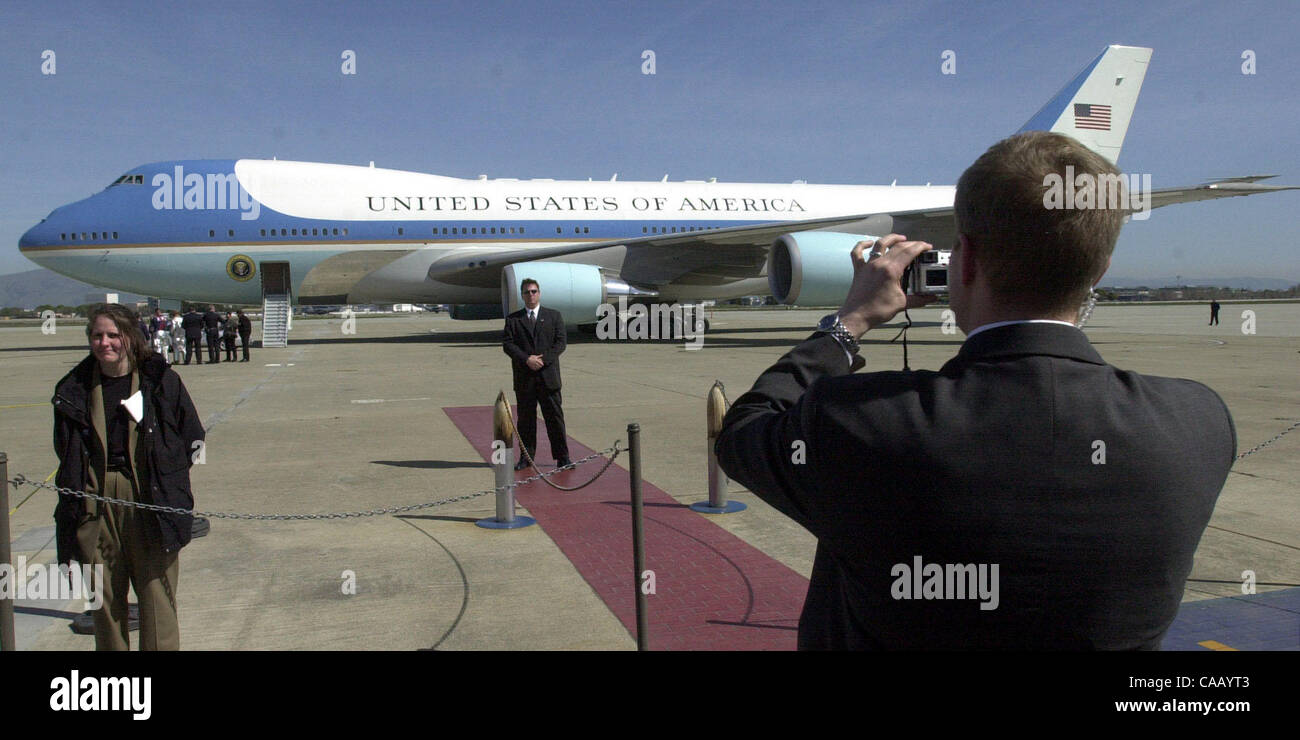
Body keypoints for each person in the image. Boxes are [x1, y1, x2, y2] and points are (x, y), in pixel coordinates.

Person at [714, 131, 1235, 650]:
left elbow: (742, 432)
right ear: (1101, 268)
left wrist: (848, 324)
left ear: (962, 262)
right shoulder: (1199, 421)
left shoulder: (861, 420)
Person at [52, 303, 204, 650]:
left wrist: (168, 475)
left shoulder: (160, 381)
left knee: (156, 598)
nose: (104, 343)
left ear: (130, 337)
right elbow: (66, 451)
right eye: (97, 335)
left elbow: (193, 437)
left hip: (150, 498)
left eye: (112, 335)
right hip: (96, 500)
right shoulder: (72, 389)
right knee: (105, 602)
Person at [503, 278, 570, 470]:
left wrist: (542, 360)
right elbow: (508, 345)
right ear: (522, 296)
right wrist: (526, 359)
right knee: (526, 421)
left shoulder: (553, 316)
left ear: (539, 293)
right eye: (527, 292)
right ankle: (526, 457)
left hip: (548, 378)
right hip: (525, 379)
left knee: (555, 419)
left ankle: (562, 457)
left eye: (533, 291)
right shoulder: (513, 319)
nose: (530, 295)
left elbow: (560, 343)